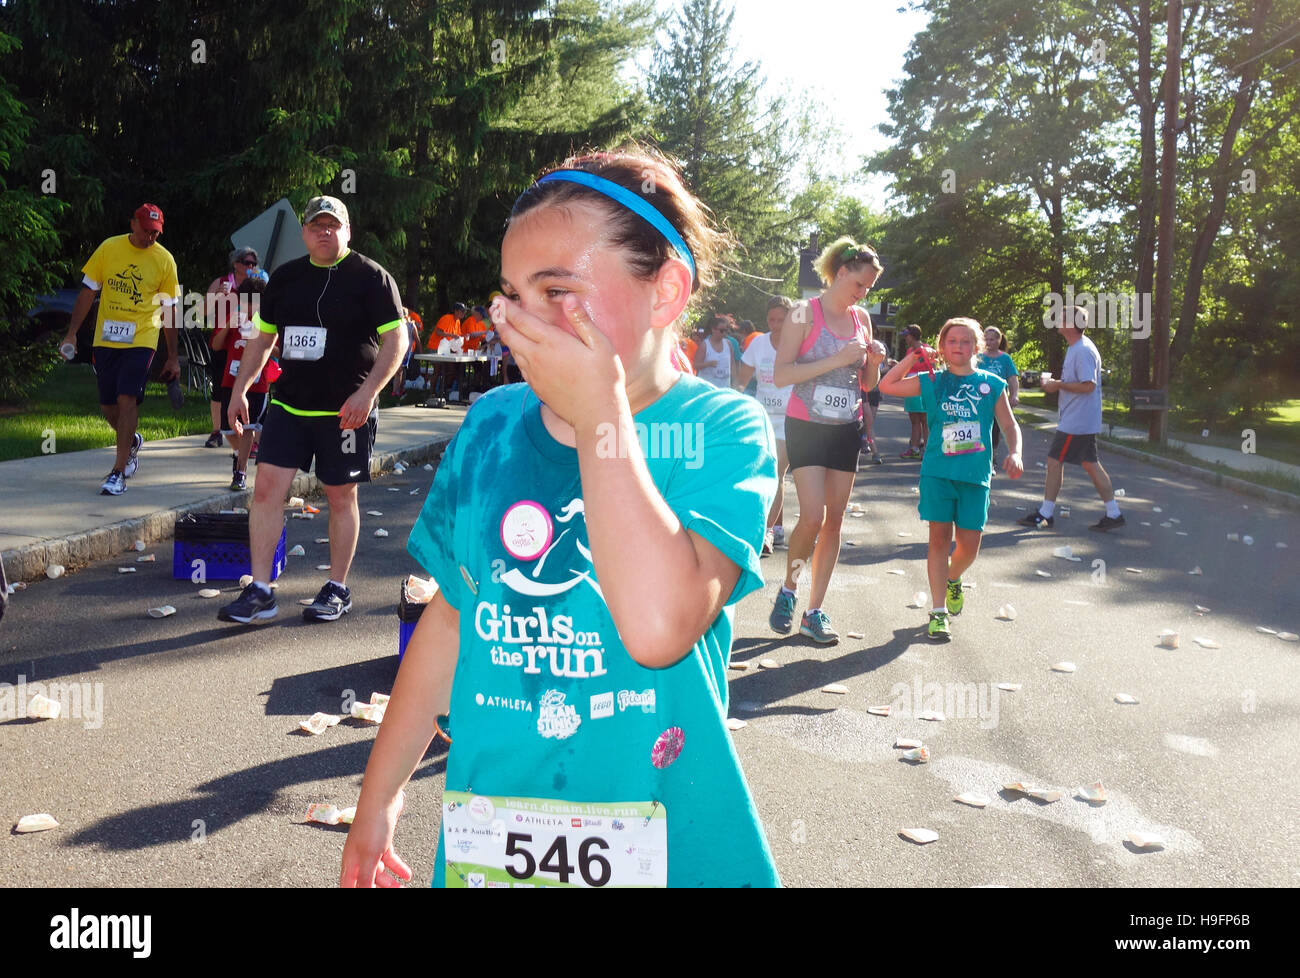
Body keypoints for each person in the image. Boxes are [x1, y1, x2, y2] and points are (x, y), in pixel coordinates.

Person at [339, 147, 780, 889]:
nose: (519, 321)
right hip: (496, 835)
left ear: (667, 290)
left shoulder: (721, 431)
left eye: (558, 290)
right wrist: (376, 798)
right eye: (512, 294)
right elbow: (451, 621)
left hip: (666, 835)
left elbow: (658, 626)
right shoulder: (490, 426)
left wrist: (600, 411)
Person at [218, 195, 407, 624]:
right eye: (317, 225)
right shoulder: (285, 279)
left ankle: (337, 587)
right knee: (266, 490)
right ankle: (262, 590)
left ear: (347, 231)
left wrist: (368, 395)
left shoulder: (371, 277)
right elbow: (263, 340)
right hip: (290, 404)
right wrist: (239, 390)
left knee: (340, 496)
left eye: (333, 225)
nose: (325, 232)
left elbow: (397, 342)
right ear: (304, 232)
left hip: (345, 409)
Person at [769, 238, 886, 643]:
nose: (863, 293)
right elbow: (782, 374)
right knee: (813, 517)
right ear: (840, 273)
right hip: (806, 424)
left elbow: (867, 386)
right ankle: (788, 589)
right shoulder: (804, 313)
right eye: (860, 284)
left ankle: (813, 612)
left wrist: (872, 364)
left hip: (845, 428)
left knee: (834, 520)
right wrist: (836, 358)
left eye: (868, 289)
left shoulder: (862, 320)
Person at [879, 317, 1024, 640]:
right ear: (942, 346)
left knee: (969, 547)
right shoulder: (931, 381)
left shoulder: (991, 384)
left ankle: (953, 577)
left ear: (978, 346)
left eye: (966, 341)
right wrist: (913, 357)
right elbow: (886, 386)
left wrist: (1015, 452)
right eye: (952, 341)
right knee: (938, 540)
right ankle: (938, 611)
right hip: (938, 473)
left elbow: (1010, 426)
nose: (959, 347)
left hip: (975, 475)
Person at [60, 203, 181, 496]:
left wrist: (173, 356)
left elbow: (170, 310)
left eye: (157, 232)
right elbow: (88, 291)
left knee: (127, 398)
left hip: (142, 337)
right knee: (108, 406)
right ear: (133, 224)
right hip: (107, 338)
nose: (151, 237)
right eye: (147, 230)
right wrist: (72, 333)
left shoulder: (165, 260)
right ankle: (132, 440)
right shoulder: (109, 248)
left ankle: (118, 471)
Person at [1017, 305, 1125, 532]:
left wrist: (1058, 385)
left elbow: (1089, 385)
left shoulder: (1082, 350)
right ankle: (1114, 513)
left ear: (1072, 325)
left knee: (1054, 462)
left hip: (1076, 422)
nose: (1058, 320)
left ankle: (1045, 514)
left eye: (1062, 318)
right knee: (1091, 465)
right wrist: (1057, 384)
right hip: (1080, 420)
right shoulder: (1076, 347)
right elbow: (1082, 383)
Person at [737, 296, 795, 554]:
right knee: (760, 471)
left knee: (776, 472)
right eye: (771, 319)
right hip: (762, 417)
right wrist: (736, 401)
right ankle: (769, 526)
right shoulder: (758, 344)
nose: (775, 325)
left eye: (781, 320)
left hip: (790, 419)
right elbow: (741, 380)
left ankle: (766, 533)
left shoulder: (799, 344)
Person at [211, 273, 275, 490]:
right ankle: (241, 453)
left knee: (248, 426)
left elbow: (277, 349)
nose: (249, 306)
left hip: (257, 382)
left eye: (255, 302)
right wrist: (229, 324)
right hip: (231, 380)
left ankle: (240, 472)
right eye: (245, 301)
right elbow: (216, 345)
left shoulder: (267, 323)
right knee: (228, 430)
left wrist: (259, 338)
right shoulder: (233, 317)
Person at [204, 247, 260, 447]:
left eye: (254, 263)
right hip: (223, 341)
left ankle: (249, 433)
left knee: (251, 387)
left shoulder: (257, 284)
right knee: (219, 388)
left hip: (247, 342)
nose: (251, 267)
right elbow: (202, 312)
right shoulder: (222, 283)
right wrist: (215, 298)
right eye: (247, 263)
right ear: (236, 264)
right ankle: (216, 431)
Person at [976, 325, 1019, 472]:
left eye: (992, 339)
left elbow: (1012, 378)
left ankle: (991, 461)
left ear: (999, 340)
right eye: (986, 339)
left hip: (997, 401)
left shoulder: (1005, 359)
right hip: (978, 400)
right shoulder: (979, 357)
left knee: (994, 431)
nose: (989, 342)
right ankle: (976, 459)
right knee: (978, 429)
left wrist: (1014, 395)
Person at [898, 325, 930, 459]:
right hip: (910, 389)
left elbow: (932, 368)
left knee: (925, 420)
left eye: (907, 336)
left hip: (923, 387)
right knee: (914, 420)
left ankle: (928, 451)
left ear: (912, 336)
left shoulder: (926, 350)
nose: (905, 338)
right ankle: (915, 448)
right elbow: (906, 368)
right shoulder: (910, 351)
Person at [860, 340, 890, 465]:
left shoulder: (881, 347)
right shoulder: (863, 346)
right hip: (864, 389)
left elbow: (886, 366)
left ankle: (865, 440)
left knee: (869, 421)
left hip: (875, 390)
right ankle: (875, 452)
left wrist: (877, 367)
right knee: (868, 420)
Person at [693, 314, 735, 388]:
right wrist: (708, 364)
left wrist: (735, 383)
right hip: (707, 388)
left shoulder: (728, 344)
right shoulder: (705, 345)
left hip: (724, 387)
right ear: (713, 330)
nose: (724, 333)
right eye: (721, 331)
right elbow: (695, 365)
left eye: (726, 331)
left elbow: (732, 364)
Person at [391, 307, 423, 398]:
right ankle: (397, 391)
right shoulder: (399, 325)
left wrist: (421, 353)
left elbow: (417, 340)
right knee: (399, 371)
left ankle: (399, 390)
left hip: (405, 352)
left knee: (400, 370)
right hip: (399, 351)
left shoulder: (410, 325)